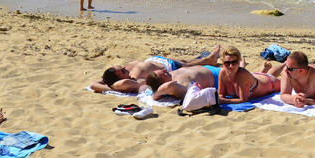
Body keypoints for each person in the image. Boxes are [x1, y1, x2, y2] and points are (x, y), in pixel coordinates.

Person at [88, 47, 221, 94]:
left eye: (121, 67)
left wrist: (106, 81)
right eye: (122, 71)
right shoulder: (131, 81)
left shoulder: (128, 72)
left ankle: (208, 60)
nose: (125, 68)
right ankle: (209, 60)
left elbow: (100, 82)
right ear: (120, 78)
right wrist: (111, 88)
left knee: (185, 61)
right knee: (186, 64)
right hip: (166, 68)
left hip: (157, 60)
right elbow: (94, 85)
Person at [214, 45, 281, 104]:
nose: (231, 66)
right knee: (261, 75)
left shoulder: (242, 75)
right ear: (222, 63)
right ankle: (264, 71)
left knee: (284, 80)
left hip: (270, 83)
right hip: (254, 78)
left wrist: (224, 101)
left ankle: (285, 64)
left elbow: (243, 100)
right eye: (227, 63)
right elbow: (220, 94)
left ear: (239, 63)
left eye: (234, 62)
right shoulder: (222, 73)